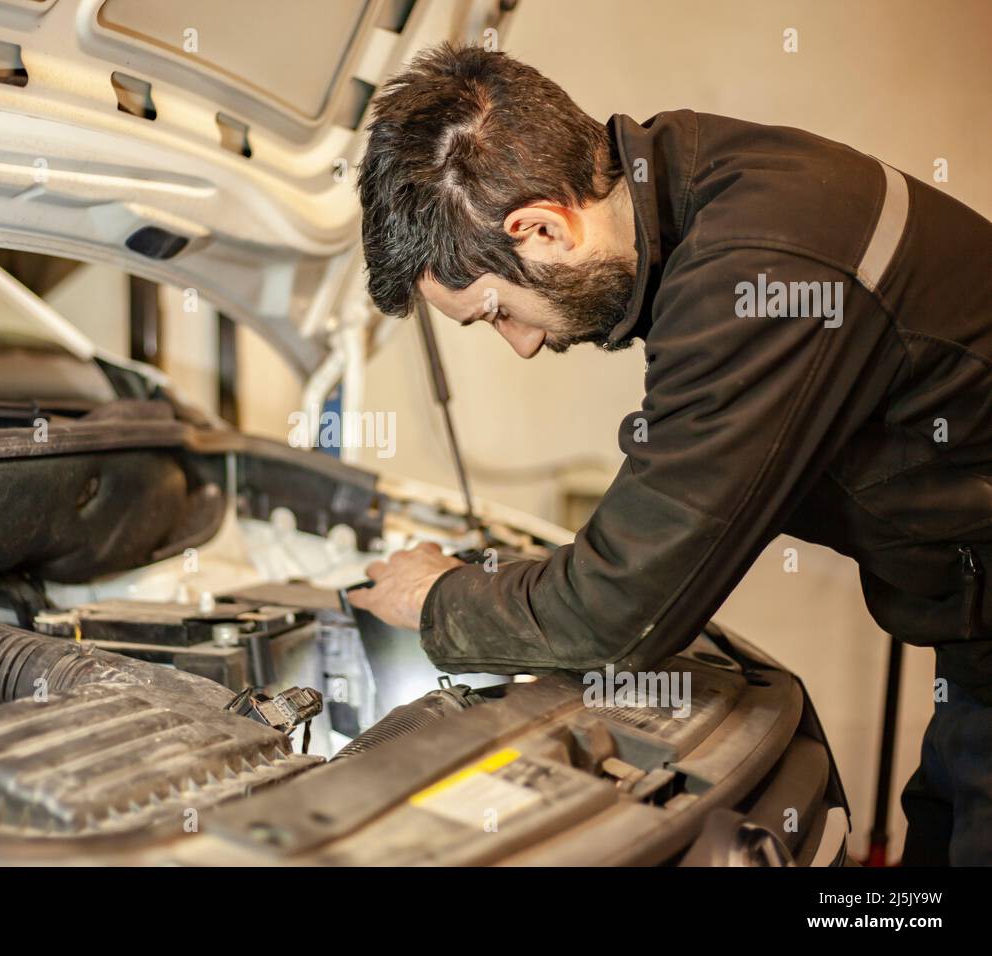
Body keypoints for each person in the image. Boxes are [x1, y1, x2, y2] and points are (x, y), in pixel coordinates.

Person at [347, 43, 992, 865]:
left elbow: (619, 610)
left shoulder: (756, 271)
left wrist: (439, 599)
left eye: (494, 312)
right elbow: (659, 518)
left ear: (541, 226)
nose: (520, 345)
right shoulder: (702, 185)